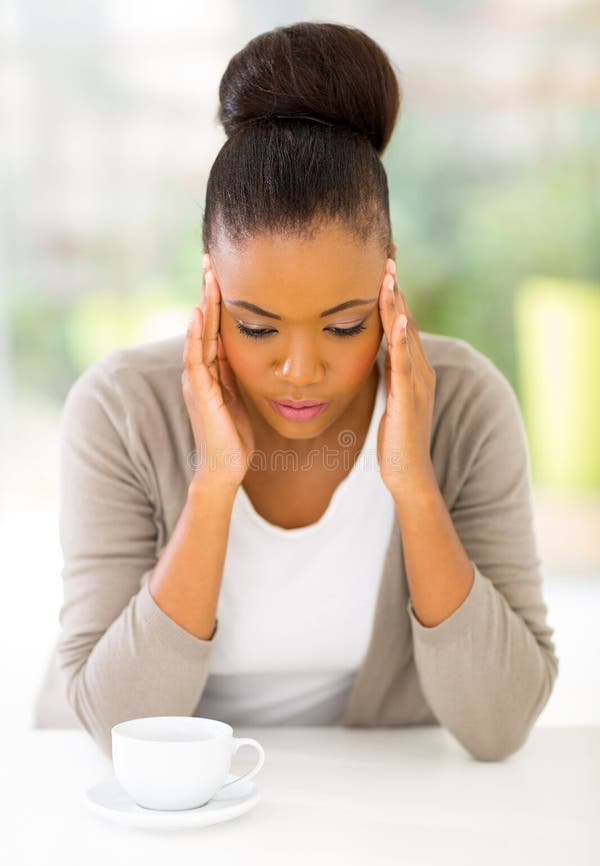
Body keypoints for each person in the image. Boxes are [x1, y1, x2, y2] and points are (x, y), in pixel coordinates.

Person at [33, 22, 558, 761]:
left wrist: (411, 484)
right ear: (211, 285)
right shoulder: (120, 411)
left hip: (367, 812)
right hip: (133, 818)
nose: (302, 370)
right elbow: (118, 727)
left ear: (390, 281)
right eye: (255, 328)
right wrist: (214, 485)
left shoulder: (466, 405)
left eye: (344, 326)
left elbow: (498, 726)